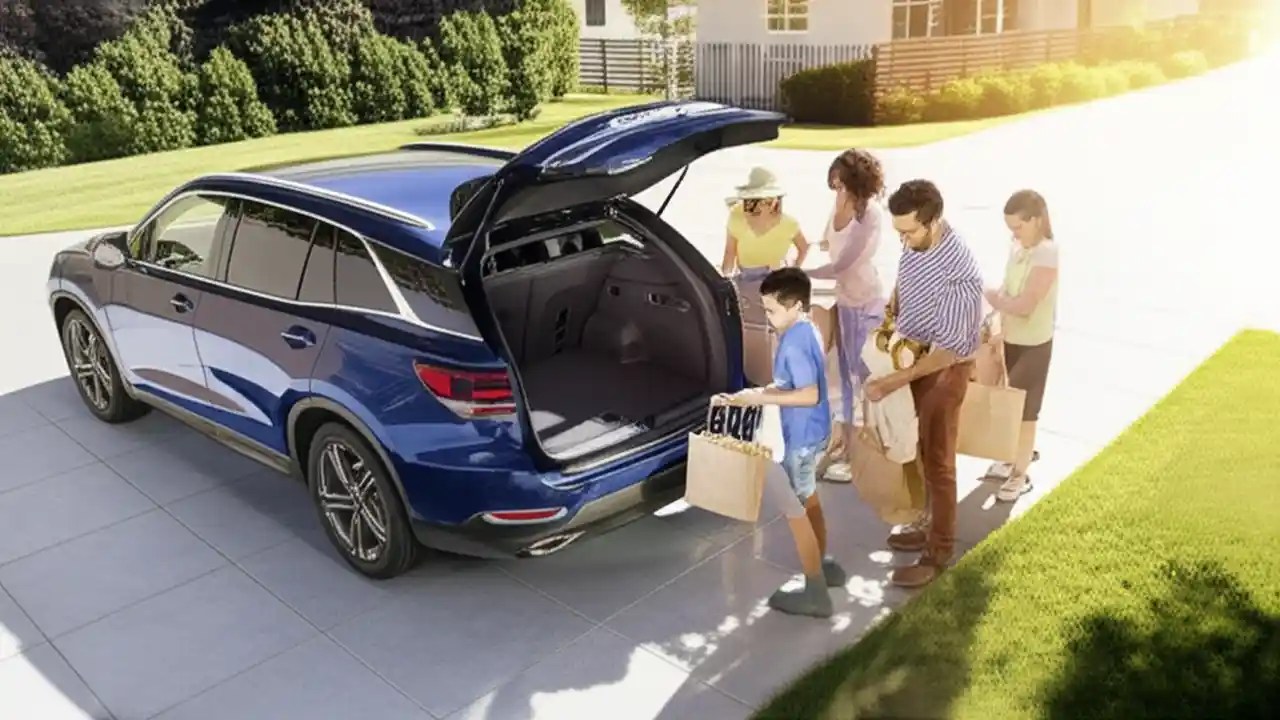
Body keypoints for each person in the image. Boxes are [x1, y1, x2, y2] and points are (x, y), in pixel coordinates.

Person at [866, 180, 983, 589]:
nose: (903, 239)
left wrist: (890, 382)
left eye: (909, 232)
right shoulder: (916, 241)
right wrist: (894, 306)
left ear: (933, 221)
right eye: (899, 232)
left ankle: (939, 552)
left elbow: (946, 353)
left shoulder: (960, 272)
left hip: (943, 370)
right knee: (917, 450)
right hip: (913, 356)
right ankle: (929, 521)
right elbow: (907, 274)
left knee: (938, 461)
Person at [716, 267, 844, 618]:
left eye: (771, 310)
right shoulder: (807, 329)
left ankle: (815, 591)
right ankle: (824, 564)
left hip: (799, 441)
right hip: (815, 434)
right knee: (811, 500)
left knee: (796, 514)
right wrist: (752, 393)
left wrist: (760, 399)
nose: (767, 317)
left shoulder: (794, 343)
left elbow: (808, 394)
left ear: (797, 305)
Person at [807, 149, 889, 480]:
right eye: (834, 183)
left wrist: (806, 274)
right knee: (841, 377)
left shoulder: (871, 213)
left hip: (866, 303)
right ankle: (842, 445)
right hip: (843, 301)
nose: (837, 189)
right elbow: (828, 243)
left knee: (863, 379)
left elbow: (846, 262)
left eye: (842, 182)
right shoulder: (838, 204)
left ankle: (862, 458)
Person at [982, 190, 1059, 502]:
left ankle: (1020, 474)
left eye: (1018, 226)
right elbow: (1009, 288)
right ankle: (1012, 457)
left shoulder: (1047, 252)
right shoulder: (1017, 248)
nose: (1014, 233)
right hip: (1012, 337)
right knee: (1010, 402)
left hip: (1034, 343)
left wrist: (994, 298)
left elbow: (1027, 304)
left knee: (1027, 411)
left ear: (1036, 221)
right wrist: (997, 317)